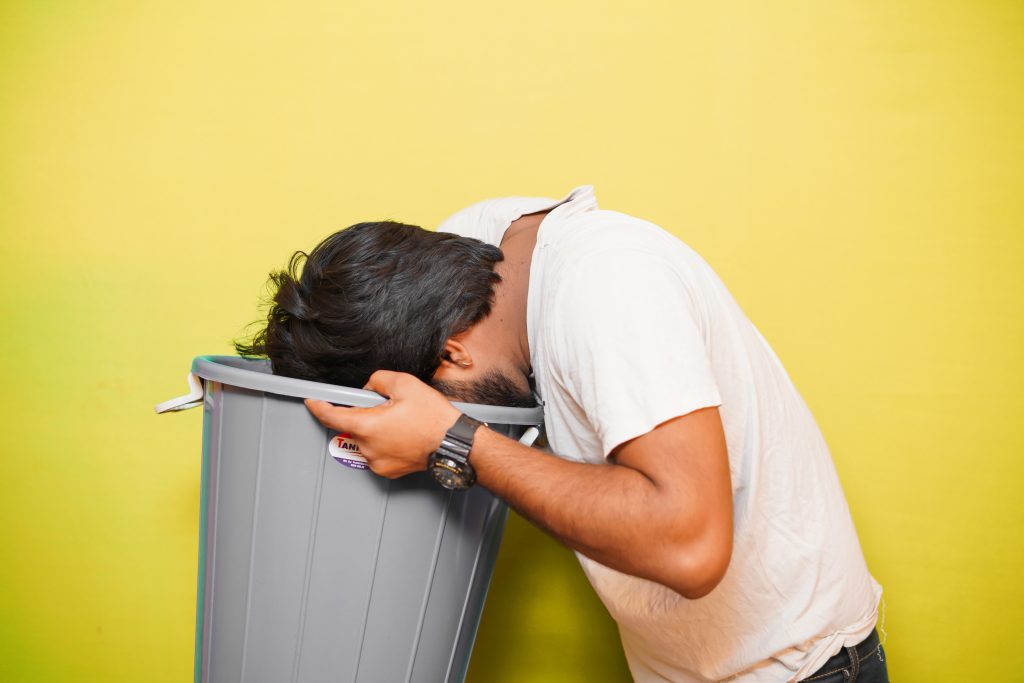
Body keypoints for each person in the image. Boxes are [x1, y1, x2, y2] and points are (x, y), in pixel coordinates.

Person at [236, 185, 888, 682]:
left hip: (797, 667)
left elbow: (692, 545)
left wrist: (455, 437)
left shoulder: (611, 289)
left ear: (455, 350)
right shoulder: (477, 251)